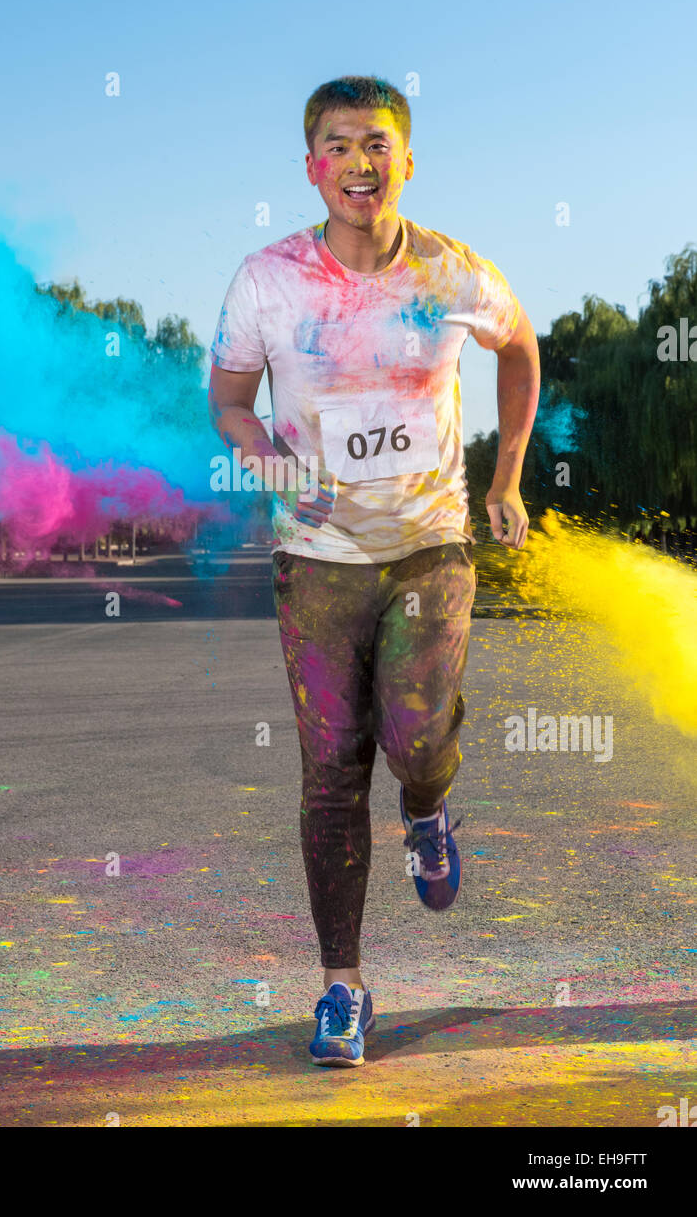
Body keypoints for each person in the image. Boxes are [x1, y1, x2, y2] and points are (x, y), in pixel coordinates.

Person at [208, 75, 540, 1066]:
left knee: (416, 741)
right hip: (318, 561)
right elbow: (227, 402)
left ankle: (431, 807)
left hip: (432, 549)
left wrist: (509, 478)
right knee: (329, 770)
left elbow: (518, 349)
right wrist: (271, 460)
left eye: (378, 143)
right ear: (311, 167)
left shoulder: (453, 270)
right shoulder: (265, 281)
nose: (360, 161)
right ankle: (342, 986)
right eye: (339, 144)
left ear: (407, 160)